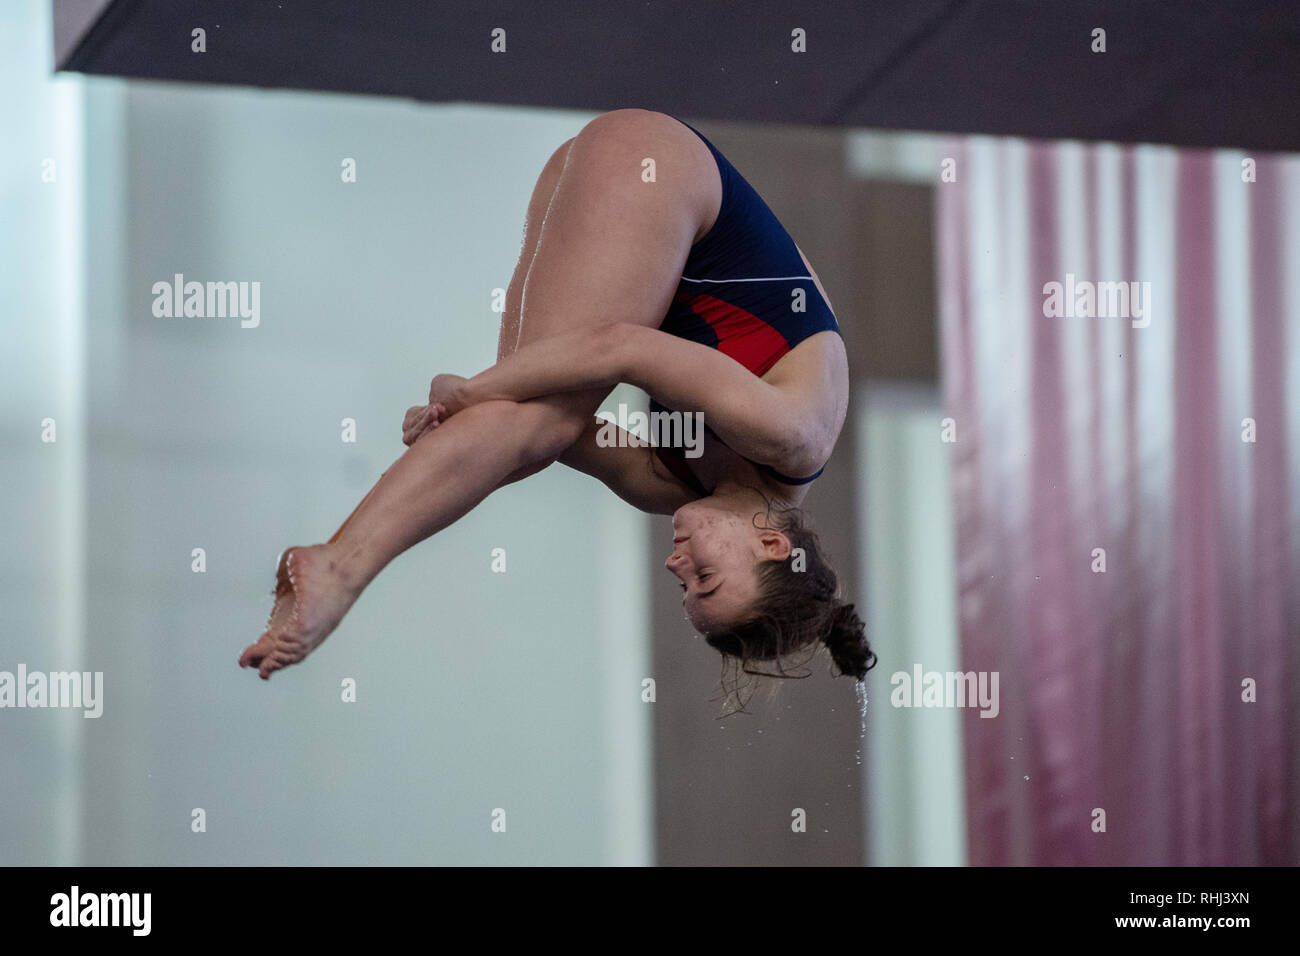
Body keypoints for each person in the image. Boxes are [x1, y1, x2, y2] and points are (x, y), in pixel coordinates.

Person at [239, 108, 876, 695]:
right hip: (658, 167)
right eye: (704, 576)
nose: (677, 562)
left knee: (526, 443)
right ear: (771, 548)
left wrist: (466, 413)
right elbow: (620, 346)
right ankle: (341, 568)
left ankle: (338, 560)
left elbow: (555, 430)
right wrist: (475, 391)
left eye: (682, 583)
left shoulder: (667, 485)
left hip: (614, 184)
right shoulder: (791, 435)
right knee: (531, 420)